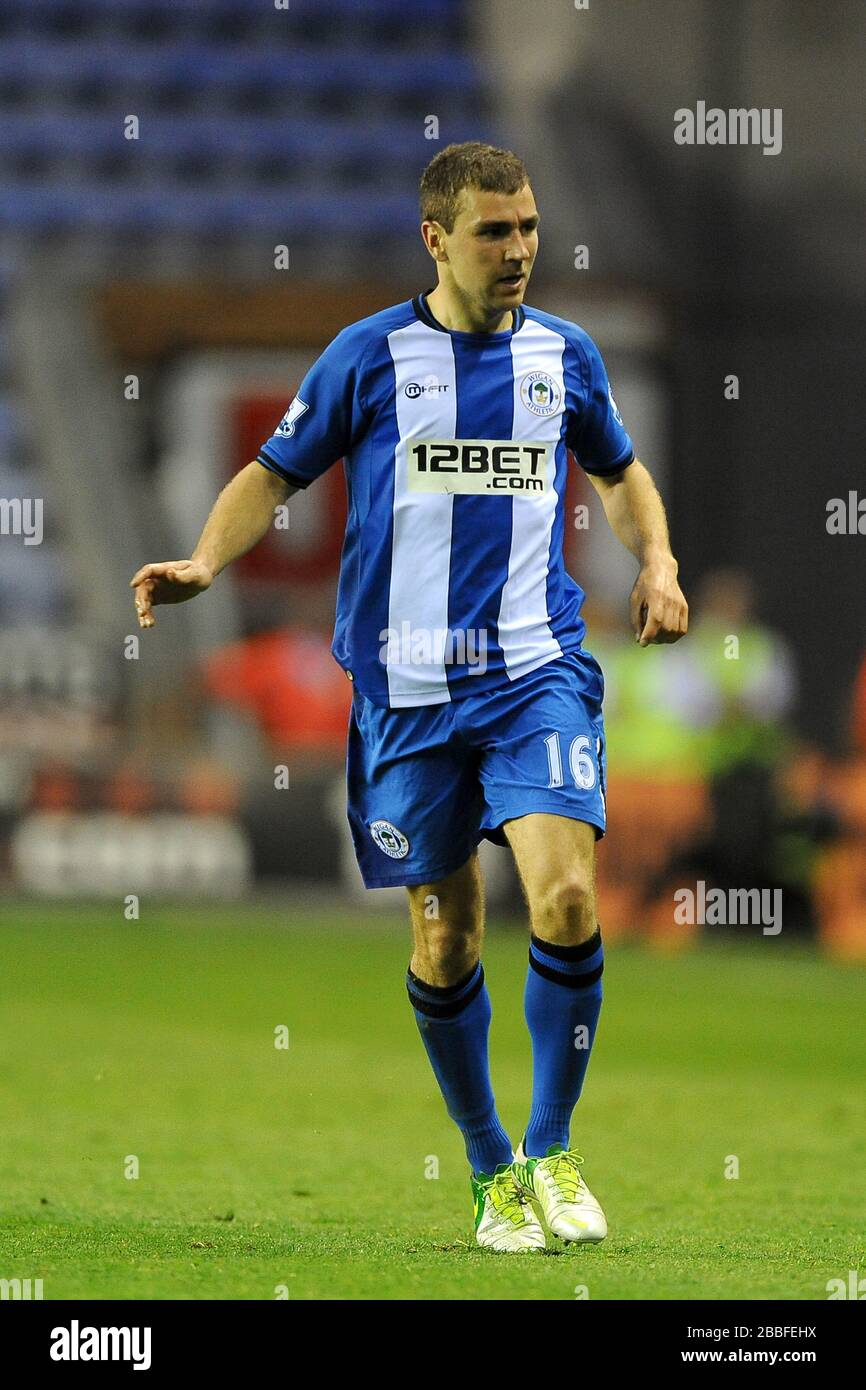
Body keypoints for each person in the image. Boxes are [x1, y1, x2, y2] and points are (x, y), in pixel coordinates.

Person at [130, 142, 688, 1253]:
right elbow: (270, 474)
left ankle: (552, 1148)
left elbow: (619, 472)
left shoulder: (564, 357)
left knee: (566, 897)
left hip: (536, 675)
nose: (519, 249)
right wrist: (202, 561)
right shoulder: (369, 356)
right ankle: (487, 1173)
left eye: (527, 226)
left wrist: (659, 563)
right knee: (446, 943)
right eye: (494, 231)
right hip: (407, 695)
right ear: (434, 239)